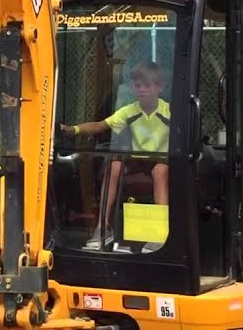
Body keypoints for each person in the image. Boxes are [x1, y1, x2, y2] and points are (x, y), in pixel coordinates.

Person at [61, 59, 171, 250]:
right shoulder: (129, 112)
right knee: (114, 166)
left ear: (160, 87)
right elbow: (100, 125)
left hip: (163, 162)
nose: (141, 90)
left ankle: (160, 233)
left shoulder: (170, 112)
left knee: (160, 171)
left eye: (147, 85)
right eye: (137, 85)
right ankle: (103, 227)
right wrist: (73, 129)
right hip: (136, 161)